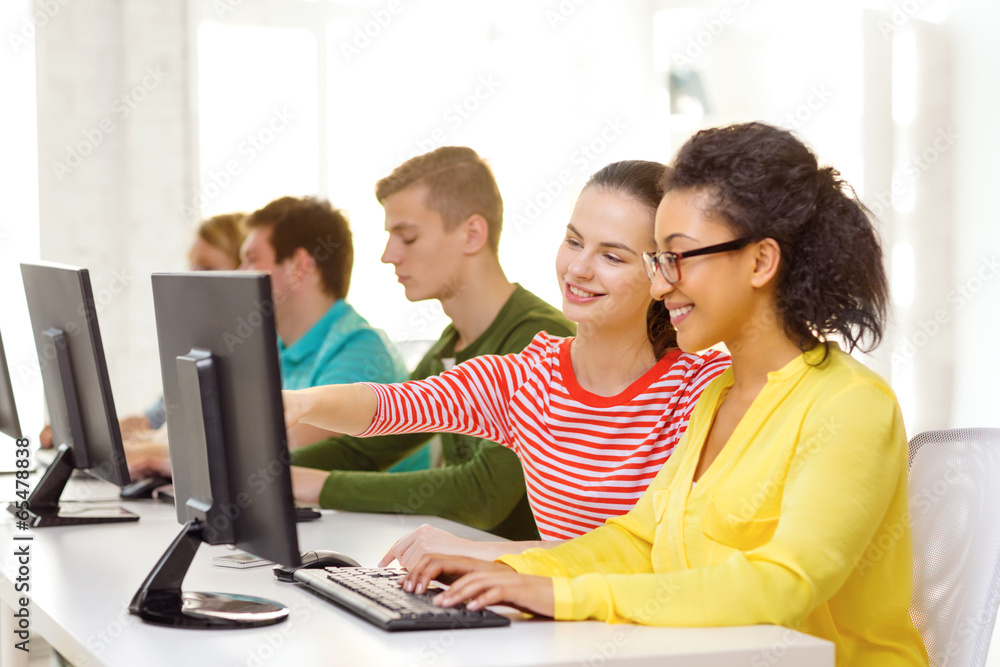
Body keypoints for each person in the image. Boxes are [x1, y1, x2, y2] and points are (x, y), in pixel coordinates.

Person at [399, 123, 929, 667]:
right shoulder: (718, 396)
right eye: (657, 261)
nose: (658, 285)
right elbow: (637, 542)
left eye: (677, 258)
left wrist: (563, 596)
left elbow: (781, 585)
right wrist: (508, 571)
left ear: (759, 262)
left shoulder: (850, 405)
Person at [286, 159, 730, 550]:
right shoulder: (531, 377)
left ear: (661, 273)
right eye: (574, 242)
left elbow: (662, 556)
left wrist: (489, 557)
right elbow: (391, 406)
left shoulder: (700, 389)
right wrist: (300, 404)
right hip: (549, 612)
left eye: (612, 257)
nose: (578, 269)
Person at [289, 146, 574, 540]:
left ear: (472, 234)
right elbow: (368, 450)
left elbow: (481, 493)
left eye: (407, 237)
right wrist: (265, 474)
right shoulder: (449, 346)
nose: (388, 255)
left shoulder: (540, 339)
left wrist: (315, 486)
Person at [127, 196, 408, 477]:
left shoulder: (362, 353)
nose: (238, 274)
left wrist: (151, 452)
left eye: (251, 260)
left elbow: (279, 448)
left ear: (299, 266)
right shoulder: (269, 348)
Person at [38, 212, 248, 449]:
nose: (191, 279)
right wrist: (85, 435)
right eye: (192, 265)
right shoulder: (204, 339)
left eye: (207, 269)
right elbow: (156, 419)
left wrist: (146, 450)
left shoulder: (255, 351)